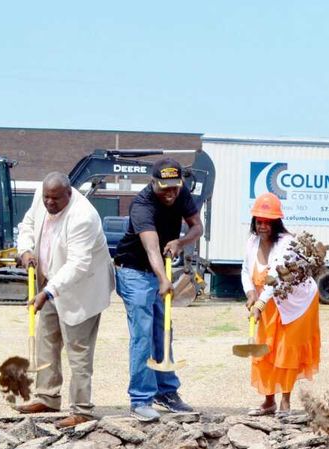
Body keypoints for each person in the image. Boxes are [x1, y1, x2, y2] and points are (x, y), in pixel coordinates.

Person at [14, 172, 115, 429]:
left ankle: (82, 410)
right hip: (50, 282)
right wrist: (25, 250)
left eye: (55, 199)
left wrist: (48, 292)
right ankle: (47, 397)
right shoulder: (42, 195)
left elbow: (78, 265)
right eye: (47, 197)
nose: (49, 203)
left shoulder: (84, 216)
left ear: (69, 194)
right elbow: (27, 224)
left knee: (78, 350)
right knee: (47, 338)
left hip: (81, 288)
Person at [112, 158, 203, 421]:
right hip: (133, 271)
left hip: (156, 271)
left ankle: (166, 392)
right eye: (165, 188)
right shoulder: (141, 205)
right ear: (153, 183)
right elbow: (151, 247)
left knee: (163, 331)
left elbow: (198, 227)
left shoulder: (181, 193)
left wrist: (181, 241)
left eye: (175, 187)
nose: (170, 193)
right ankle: (140, 399)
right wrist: (164, 278)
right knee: (143, 332)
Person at [240, 194, 320, 416]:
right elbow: (246, 271)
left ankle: (285, 402)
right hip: (267, 302)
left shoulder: (286, 244)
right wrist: (250, 295)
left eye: (268, 222)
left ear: (276, 223)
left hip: (295, 305)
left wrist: (260, 303)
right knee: (265, 348)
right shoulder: (251, 242)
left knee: (286, 350)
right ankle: (268, 402)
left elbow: (275, 278)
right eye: (259, 221)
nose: (263, 226)